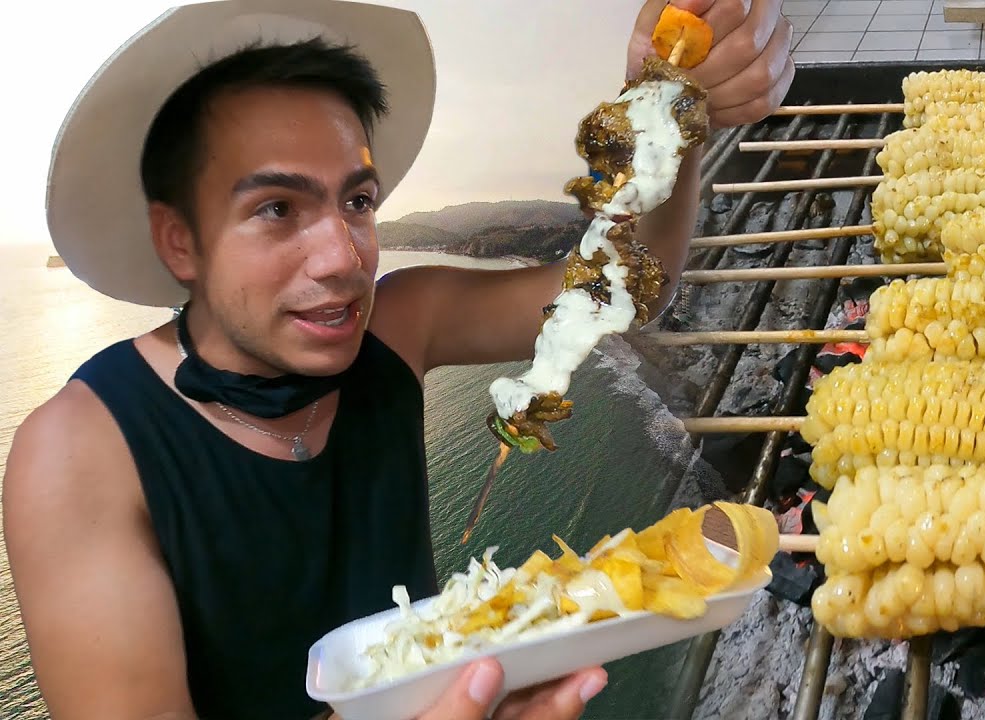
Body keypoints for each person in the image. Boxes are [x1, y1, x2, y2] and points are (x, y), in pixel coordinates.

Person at [2, 0, 794, 718]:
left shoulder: (397, 325)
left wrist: (668, 107)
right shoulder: (78, 453)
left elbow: (621, 289)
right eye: (276, 209)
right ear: (180, 242)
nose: (344, 258)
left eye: (356, 201)